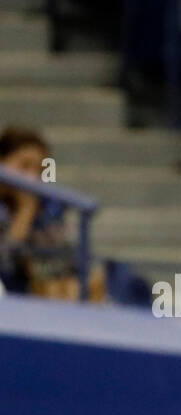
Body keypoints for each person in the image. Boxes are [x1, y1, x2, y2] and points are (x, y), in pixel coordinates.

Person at [0, 126, 105, 302]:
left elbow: (66, 256)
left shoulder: (49, 206)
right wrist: (25, 212)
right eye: (24, 166)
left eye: (39, 170)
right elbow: (5, 265)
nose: (31, 178)